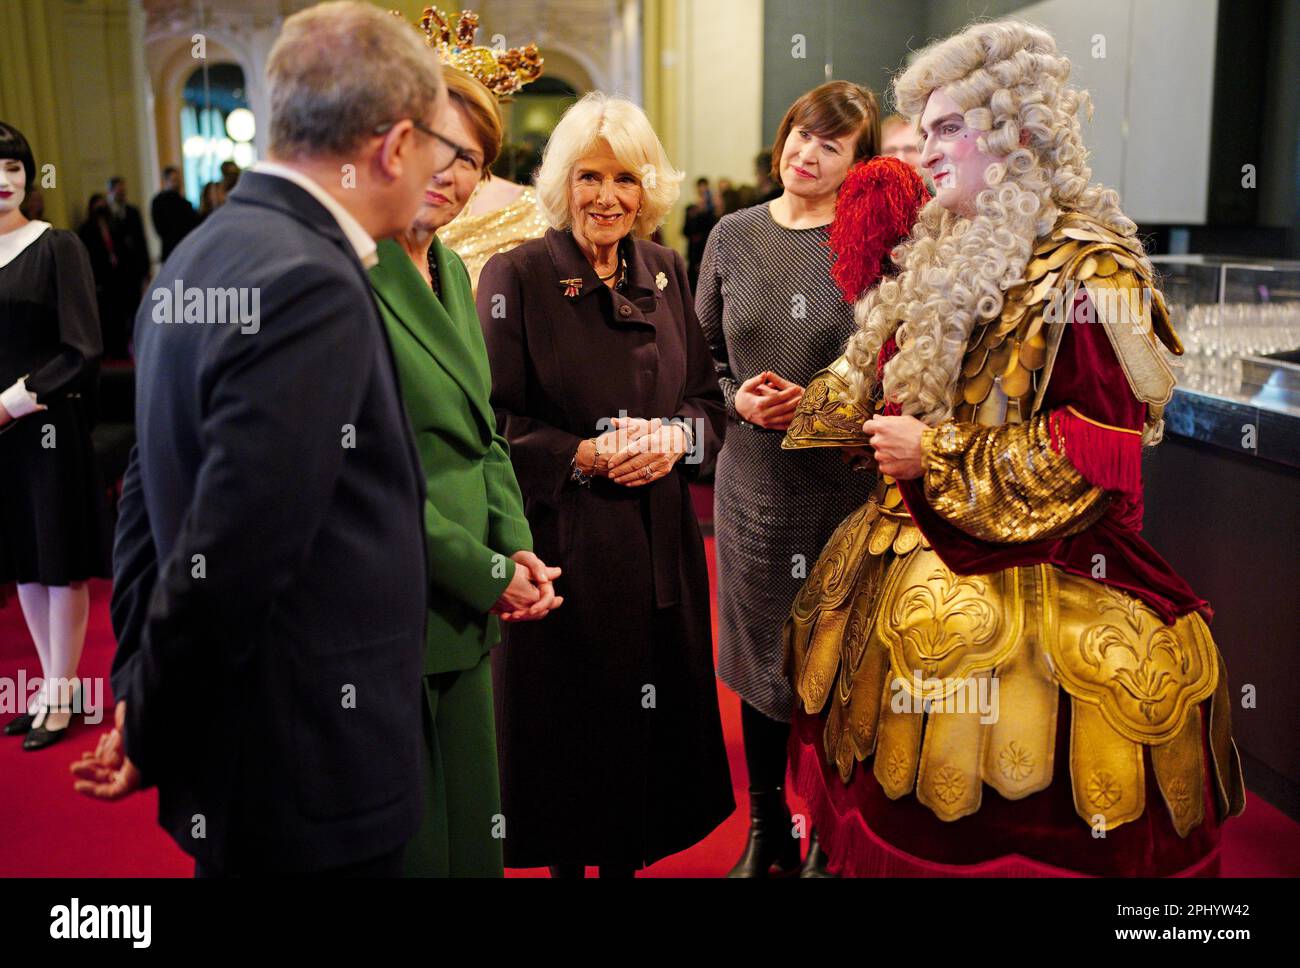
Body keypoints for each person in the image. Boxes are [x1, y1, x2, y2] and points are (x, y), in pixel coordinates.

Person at [784, 19, 1246, 877]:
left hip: (1037, 568)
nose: (927, 151)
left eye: (949, 128)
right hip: (897, 546)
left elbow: (1092, 455)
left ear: (1020, 133)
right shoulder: (940, 246)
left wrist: (938, 455)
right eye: (923, 131)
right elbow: (878, 376)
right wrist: (816, 407)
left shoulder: (1091, 273)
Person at [69, 0, 450, 878]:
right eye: (435, 144)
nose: (435, 166)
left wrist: (140, 692)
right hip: (309, 761)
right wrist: (155, 715)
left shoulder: (205, 253)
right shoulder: (308, 283)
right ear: (394, 147)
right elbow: (229, 549)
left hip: (251, 749)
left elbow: (144, 506)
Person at [479, 91, 732, 877]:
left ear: (647, 186)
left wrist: (673, 439)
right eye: (590, 177)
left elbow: (706, 405)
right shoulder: (515, 273)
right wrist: (583, 457)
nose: (608, 197)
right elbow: (490, 422)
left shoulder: (664, 270)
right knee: (566, 739)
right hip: (561, 545)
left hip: (657, 544)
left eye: (626, 178)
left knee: (642, 743)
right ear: (563, 182)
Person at [370, 60, 563, 877]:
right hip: (390, 600)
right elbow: (361, 477)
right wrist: (484, 569)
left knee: (472, 836)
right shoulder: (349, 271)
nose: (451, 173)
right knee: (414, 845)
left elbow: (483, 431)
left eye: (473, 158)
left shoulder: (449, 267)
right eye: (436, 146)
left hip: (465, 613)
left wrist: (515, 544)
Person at [696, 80, 880, 878]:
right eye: (800, 135)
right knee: (762, 661)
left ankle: (830, 835)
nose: (806, 153)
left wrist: (825, 406)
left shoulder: (871, 243)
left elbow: (894, 365)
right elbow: (694, 360)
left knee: (839, 663)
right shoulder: (731, 236)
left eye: (829, 144)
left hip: (842, 488)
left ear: (856, 165)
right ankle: (769, 826)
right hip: (751, 491)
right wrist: (736, 396)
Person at [0, 121, 111, 752]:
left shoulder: (56, 245)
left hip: (46, 427)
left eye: (15, 168)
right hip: (2, 437)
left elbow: (84, 348)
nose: (4, 181)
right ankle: (44, 690)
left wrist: (9, 404)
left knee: (59, 564)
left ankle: (64, 697)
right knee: (24, 563)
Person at [150, 166, 200, 262]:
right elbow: (160, 227)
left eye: (178, 180)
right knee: (176, 277)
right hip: (170, 251)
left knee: (183, 277)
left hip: (186, 249)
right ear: (165, 181)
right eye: (174, 180)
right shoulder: (158, 202)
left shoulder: (184, 203)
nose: (177, 183)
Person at [682, 176, 716, 292]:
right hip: (693, 251)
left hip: (705, 249)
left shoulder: (712, 211)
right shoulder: (690, 208)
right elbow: (685, 231)